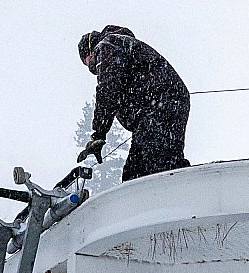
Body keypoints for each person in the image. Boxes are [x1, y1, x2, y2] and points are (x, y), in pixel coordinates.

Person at [78, 26, 191, 182]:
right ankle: (183, 185)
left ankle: (179, 186)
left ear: (89, 51)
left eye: (86, 61)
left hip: (159, 103)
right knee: (155, 163)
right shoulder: (121, 45)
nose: (90, 67)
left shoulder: (107, 45)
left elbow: (108, 89)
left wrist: (99, 132)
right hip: (167, 101)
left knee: (144, 168)